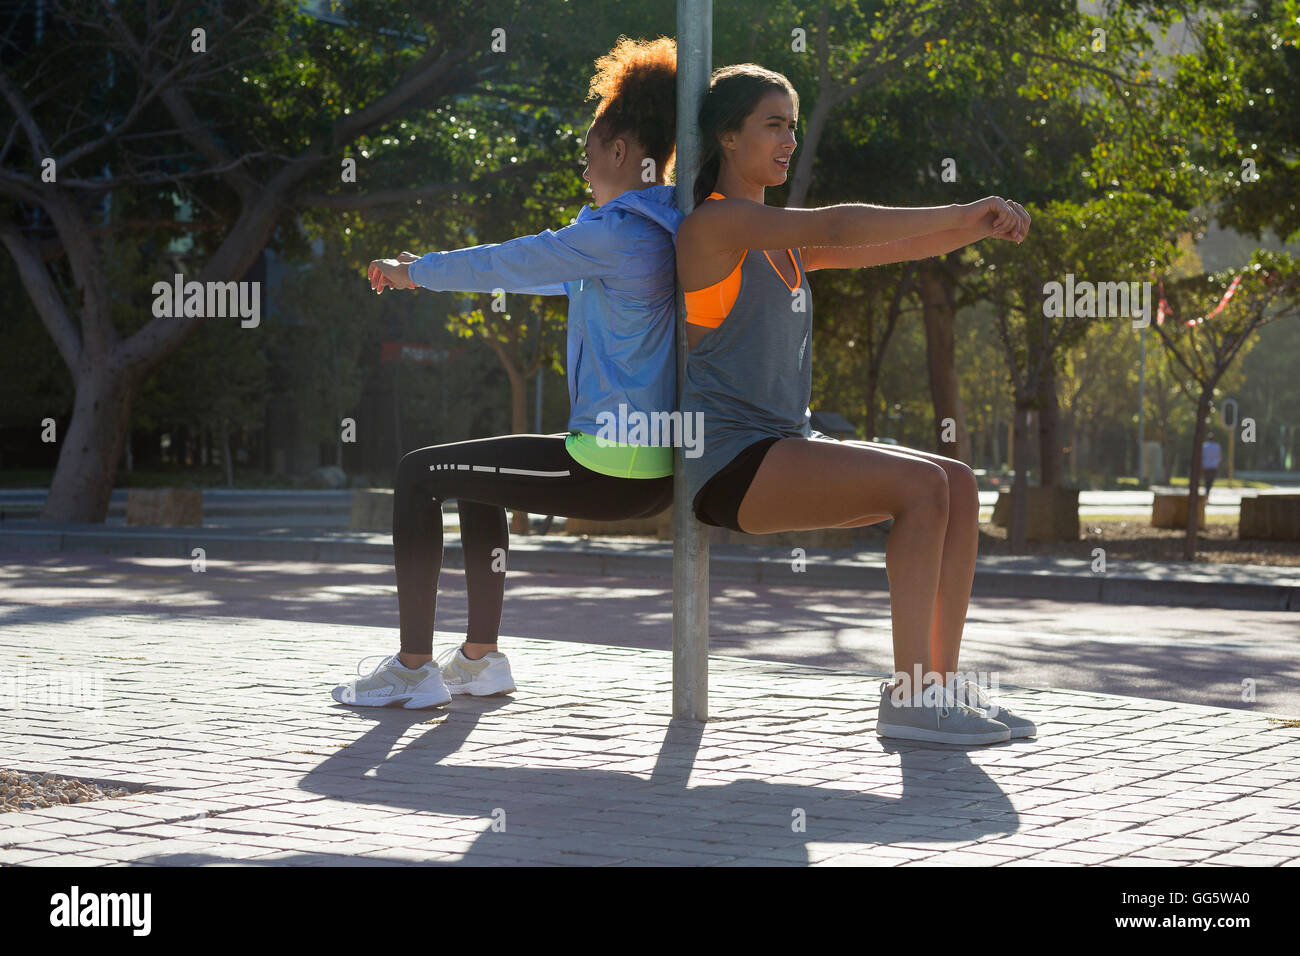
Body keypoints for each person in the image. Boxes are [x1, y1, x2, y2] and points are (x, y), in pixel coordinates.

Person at [676, 63, 1036, 745]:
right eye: (772, 125)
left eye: (792, 125)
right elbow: (841, 225)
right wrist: (962, 209)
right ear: (728, 136)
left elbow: (890, 244)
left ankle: (936, 688)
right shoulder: (713, 229)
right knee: (923, 485)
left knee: (956, 481)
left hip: (781, 448)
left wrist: (976, 227)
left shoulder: (778, 246)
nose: (787, 139)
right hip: (726, 462)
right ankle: (908, 696)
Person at [333, 36, 680, 708]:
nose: (585, 174)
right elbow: (543, 276)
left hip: (612, 467)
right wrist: (425, 272)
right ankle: (480, 659)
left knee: (416, 473)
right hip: (648, 466)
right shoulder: (660, 228)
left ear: (617, 152)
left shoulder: (615, 233)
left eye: (587, 159)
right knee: (476, 480)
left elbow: (509, 261)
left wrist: (415, 273)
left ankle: (410, 672)